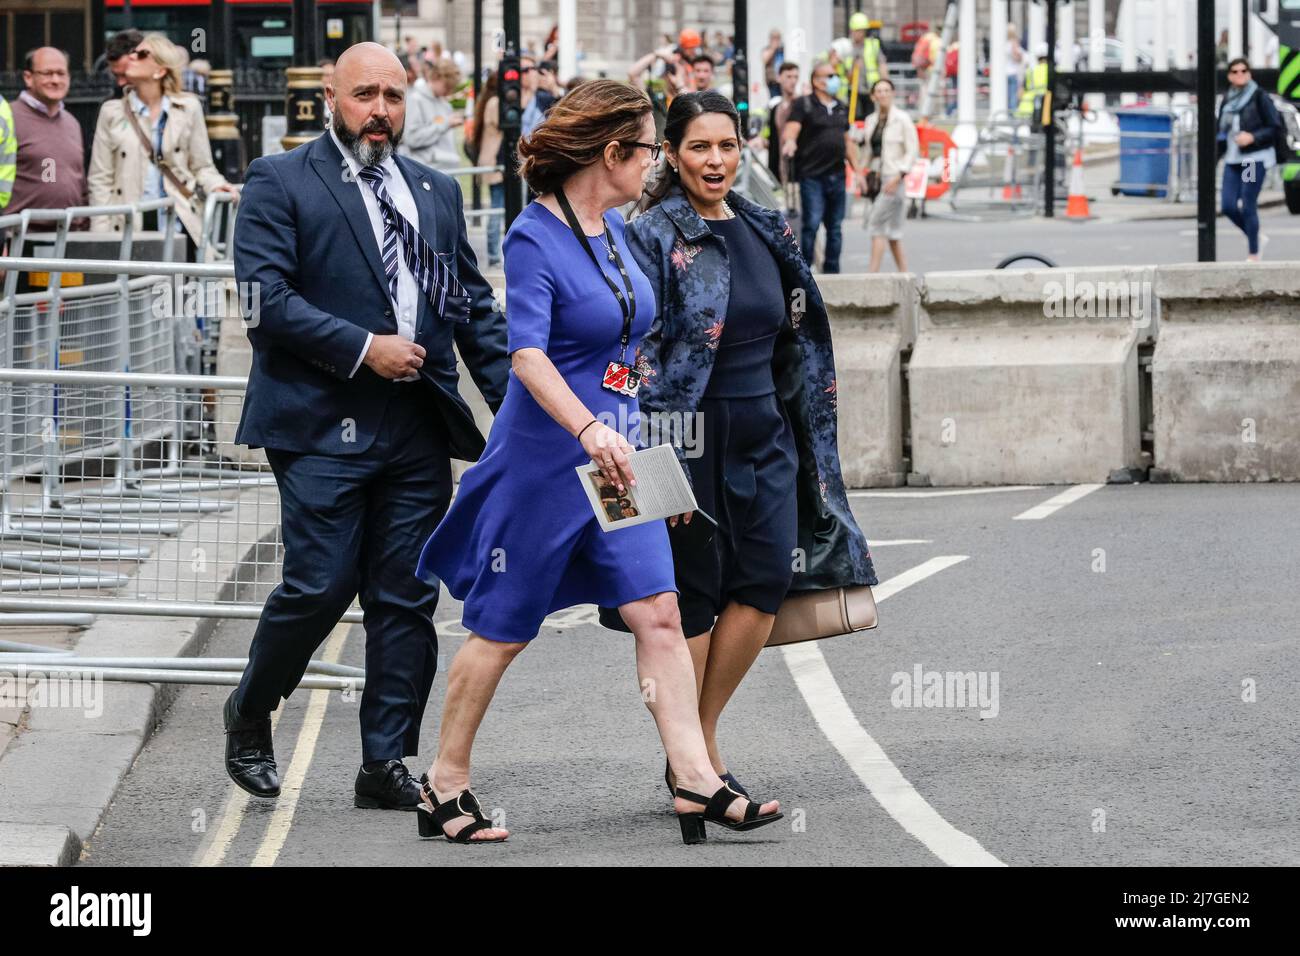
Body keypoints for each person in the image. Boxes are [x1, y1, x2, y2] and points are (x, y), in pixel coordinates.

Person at [414, 79, 783, 844]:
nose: (655, 163)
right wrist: (589, 430)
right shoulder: (533, 235)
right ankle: (444, 783)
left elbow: (625, 359)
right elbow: (527, 356)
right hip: (548, 463)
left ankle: (694, 776)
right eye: (648, 148)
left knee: (661, 609)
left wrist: (650, 459)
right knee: (504, 629)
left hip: (620, 457)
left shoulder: (615, 230)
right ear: (612, 152)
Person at [222, 41, 510, 811]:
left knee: (406, 597)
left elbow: (472, 310)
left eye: (392, 94)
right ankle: (252, 709)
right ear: (330, 97)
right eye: (364, 95)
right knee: (319, 584)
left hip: (417, 424)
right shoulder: (279, 180)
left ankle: (384, 764)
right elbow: (265, 300)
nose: (379, 110)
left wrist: (525, 408)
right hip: (318, 421)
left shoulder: (436, 191)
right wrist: (362, 348)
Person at [600, 90, 877, 801]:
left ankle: (696, 743)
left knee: (763, 584)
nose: (715, 160)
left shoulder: (764, 224)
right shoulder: (650, 233)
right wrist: (648, 469)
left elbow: (797, 336)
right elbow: (625, 353)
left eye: (726, 146)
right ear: (671, 153)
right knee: (690, 599)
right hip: (685, 437)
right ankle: (698, 764)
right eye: (698, 147)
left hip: (768, 431)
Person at [87, 33, 237, 253]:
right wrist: (100, 237)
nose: (132, 56)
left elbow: (201, 166)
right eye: (133, 52)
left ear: (160, 70)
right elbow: (100, 178)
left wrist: (216, 183)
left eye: (141, 54)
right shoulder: (111, 112)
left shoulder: (189, 108)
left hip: (177, 222)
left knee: (177, 286)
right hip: (128, 226)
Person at [781, 59, 859, 273]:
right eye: (830, 76)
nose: (835, 80)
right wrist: (790, 142)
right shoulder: (804, 104)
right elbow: (791, 130)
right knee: (812, 224)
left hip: (837, 175)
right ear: (817, 81)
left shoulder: (841, 107)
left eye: (835, 76)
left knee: (835, 228)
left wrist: (858, 171)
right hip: (812, 176)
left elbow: (848, 142)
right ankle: (805, 271)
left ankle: (832, 271)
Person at [6, 48, 87, 224]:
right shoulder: (7, 118)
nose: (55, 80)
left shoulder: (72, 123)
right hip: (19, 238)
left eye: (61, 73)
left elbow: (81, 183)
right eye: (47, 73)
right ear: (28, 77)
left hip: (69, 235)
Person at [1217, 58, 1283, 261]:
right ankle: (1255, 236)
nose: (1239, 74)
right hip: (1232, 158)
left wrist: (1252, 137)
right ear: (1229, 75)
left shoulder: (1259, 96)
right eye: (1235, 71)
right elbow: (1221, 131)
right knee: (1227, 206)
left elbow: (1274, 126)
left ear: (1249, 73)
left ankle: (1253, 253)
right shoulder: (1228, 100)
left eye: (1243, 70)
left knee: (1247, 203)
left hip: (1252, 159)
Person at [861, 78, 918, 272]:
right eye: (879, 91)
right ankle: (905, 276)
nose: (883, 94)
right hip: (876, 178)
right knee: (893, 232)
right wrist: (862, 173)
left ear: (893, 93)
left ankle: (872, 275)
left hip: (894, 179)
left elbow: (912, 150)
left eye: (887, 90)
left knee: (876, 224)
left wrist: (899, 176)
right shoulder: (871, 121)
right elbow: (868, 152)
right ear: (873, 96)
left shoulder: (902, 119)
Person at [398, 56, 464, 171]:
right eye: (447, 86)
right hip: (427, 171)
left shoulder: (445, 104)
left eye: (452, 88)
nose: (449, 91)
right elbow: (412, 139)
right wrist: (446, 124)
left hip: (447, 171)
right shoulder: (415, 100)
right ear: (436, 77)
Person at [471, 71, 505, 268]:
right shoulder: (495, 102)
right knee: (496, 208)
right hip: (495, 162)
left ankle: (495, 253)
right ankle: (493, 255)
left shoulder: (490, 100)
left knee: (498, 207)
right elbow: (505, 123)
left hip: (496, 161)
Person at [848, 13, 888, 121]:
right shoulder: (847, 47)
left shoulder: (873, 44)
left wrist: (885, 84)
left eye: (862, 30)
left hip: (871, 90)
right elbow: (846, 75)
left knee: (872, 118)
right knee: (855, 118)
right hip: (853, 91)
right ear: (852, 31)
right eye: (857, 30)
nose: (859, 33)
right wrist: (853, 67)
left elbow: (882, 65)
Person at [764, 60, 800, 178]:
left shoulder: (802, 105)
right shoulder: (775, 108)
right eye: (789, 76)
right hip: (779, 170)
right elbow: (773, 139)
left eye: (795, 77)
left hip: (799, 171)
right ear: (779, 78)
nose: (793, 81)